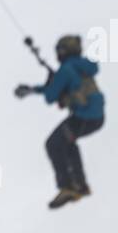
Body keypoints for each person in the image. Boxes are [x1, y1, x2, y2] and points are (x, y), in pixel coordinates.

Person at [15, 34, 104, 209]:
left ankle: (68, 187)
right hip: (97, 118)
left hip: (83, 118)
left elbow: (51, 96)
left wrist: (46, 86)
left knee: (53, 144)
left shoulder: (66, 69)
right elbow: (61, 87)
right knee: (67, 143)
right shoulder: (82, 66)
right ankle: (80, 185)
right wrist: (33, 90)